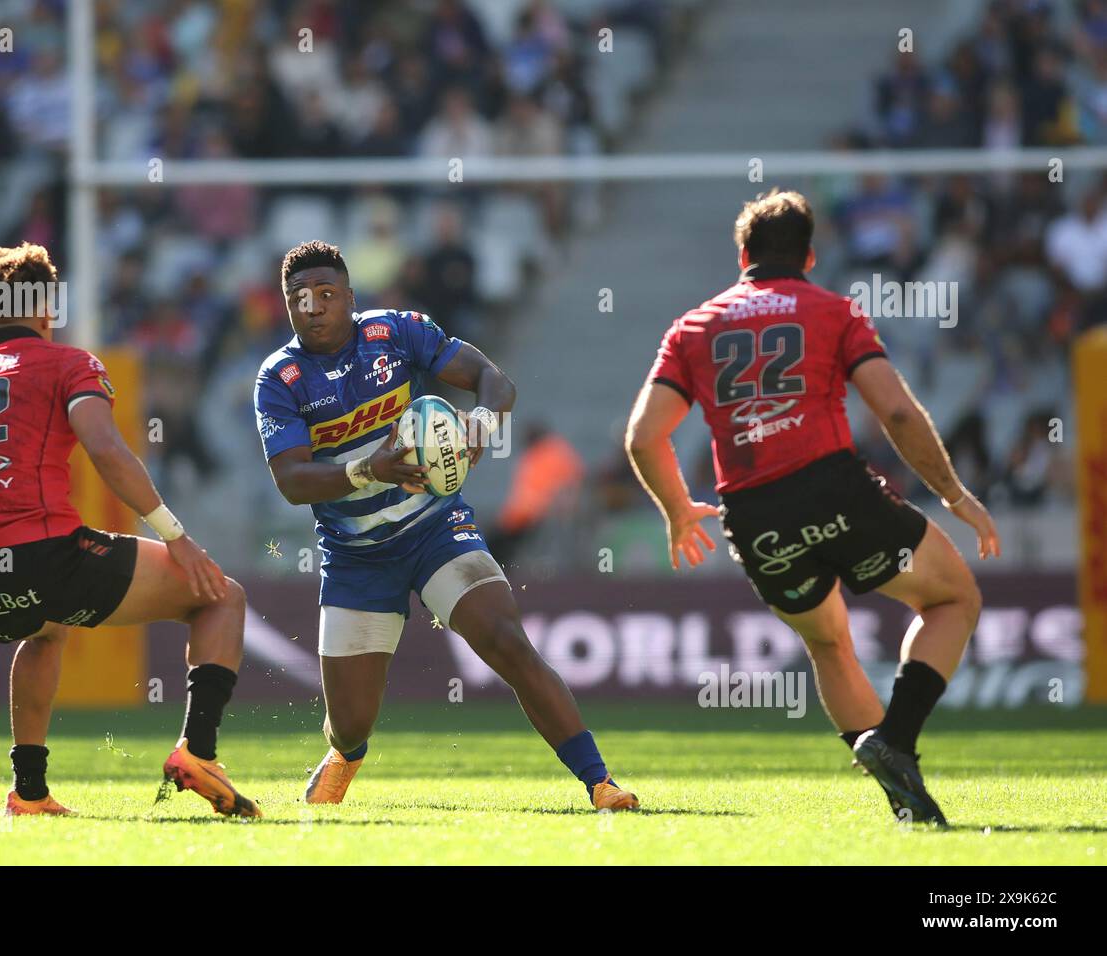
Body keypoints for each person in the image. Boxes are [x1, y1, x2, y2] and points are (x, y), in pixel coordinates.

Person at [625, 191, 1000, 825]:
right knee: (953, 597)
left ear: (742, 254)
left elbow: (642, 435)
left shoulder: (695, 326)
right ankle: (897, 739)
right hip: (834, 489)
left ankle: (902, 800)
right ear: (810, 255)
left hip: (750, 513)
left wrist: (678, 511)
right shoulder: (834, 311)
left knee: (829, 646)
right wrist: (954, 495)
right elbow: (899, 411)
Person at [253, 240, 636, 811]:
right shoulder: (278, 378)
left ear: (350, 298)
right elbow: (291, 481)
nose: (312, 307)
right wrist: (368, 469)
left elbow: (493, 379)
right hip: (355, 553)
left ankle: (600, 783)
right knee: (352, 724)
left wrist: (480, 424)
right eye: (298, 297)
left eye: (326, 294)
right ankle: (345, 754)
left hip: (435, 527)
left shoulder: (394, 332)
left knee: (506, 641)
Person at [0, 242, 258, 817]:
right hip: (49, 555)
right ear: (46, 310)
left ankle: (29, 792)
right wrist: (175, 535)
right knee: (221, 596)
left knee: (43, 632)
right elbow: (108, 451)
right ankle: (199, 752)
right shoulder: (69, 364)